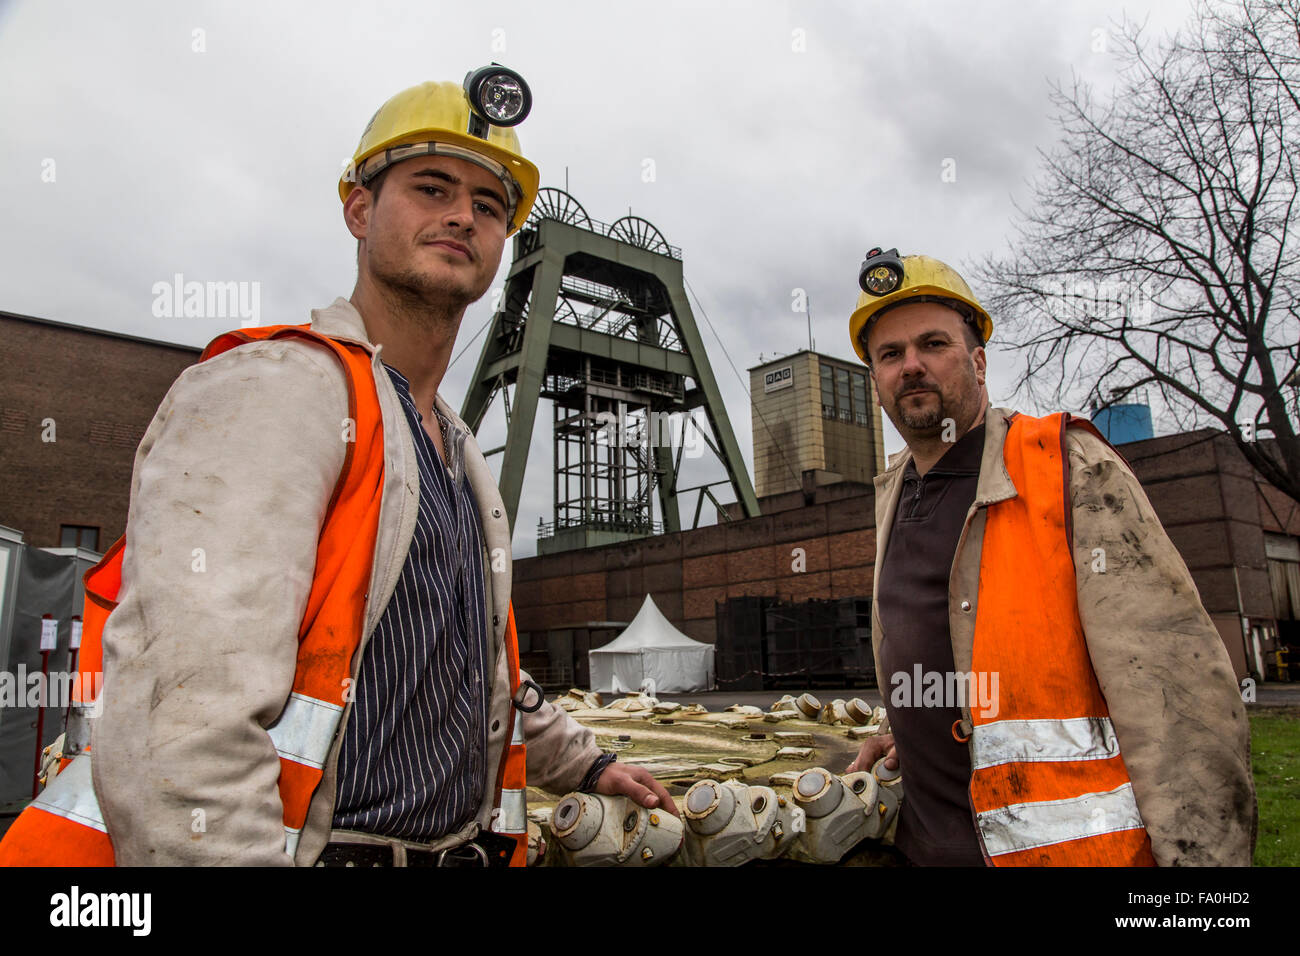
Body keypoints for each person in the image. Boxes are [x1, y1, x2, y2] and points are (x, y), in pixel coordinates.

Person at [0, 66, 674, 868]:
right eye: (431, 187)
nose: (462, 214)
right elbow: (179, 727)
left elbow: (469, 675)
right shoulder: (278, 393)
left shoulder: (459, 456)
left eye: (488, 205)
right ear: (359, 208)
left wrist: (588, 765)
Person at [844, 248, 1256, 866]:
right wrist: (905, 728)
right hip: (925, 849)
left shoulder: (1067, 469)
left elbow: (1182, 703)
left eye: (933, 344)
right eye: (890, 355)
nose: (912, 367)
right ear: (875, 380)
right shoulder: (894, 492)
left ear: (978, 361)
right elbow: (943, 643)